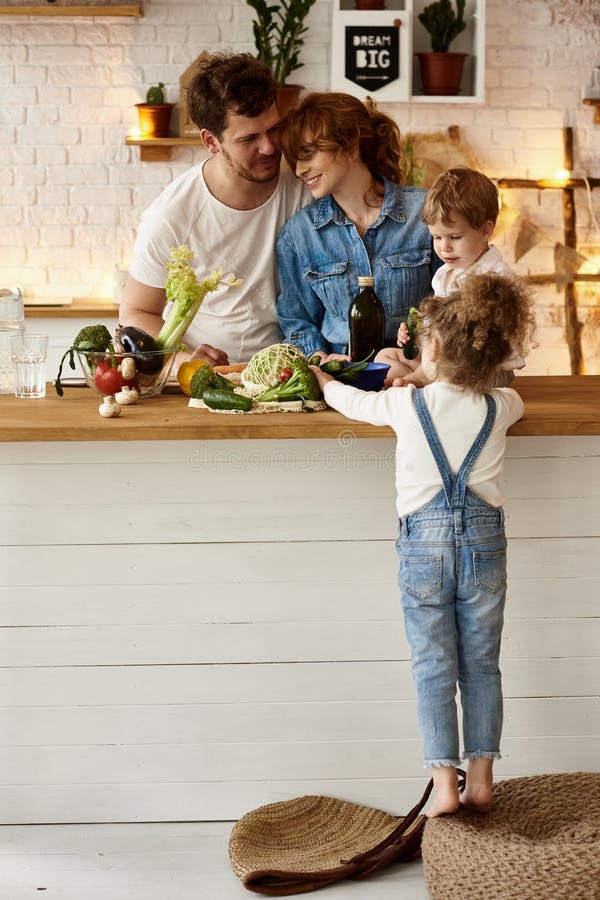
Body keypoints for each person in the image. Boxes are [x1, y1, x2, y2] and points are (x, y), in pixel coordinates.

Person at [311, 272, 535, 817]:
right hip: (484, 552)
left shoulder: (405, 406)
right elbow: (515, 401)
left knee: (433, 665)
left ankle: (444, 786)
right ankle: (482, 779)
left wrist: (321, 378)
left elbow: (348, 401)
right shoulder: (502, 405)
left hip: (423, 554)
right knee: (481, 664)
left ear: (431, 348)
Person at [119, 53, 309, 367]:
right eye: (249, 138)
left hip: (294, 370)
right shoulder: (172, 215)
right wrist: (182, 360)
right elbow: (136, 312)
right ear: (211, 141)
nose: (270, 147)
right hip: (208, 378)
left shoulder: (306, 178)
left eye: (274, 128)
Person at [275, 92, 440, 362]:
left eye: (308, 153)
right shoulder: (298, 236)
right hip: (340, 383)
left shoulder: (424, 213)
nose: (299, 170)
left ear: (351, 147)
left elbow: (454, 299)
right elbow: (298, 321)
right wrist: (321, 362)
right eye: (296, 159)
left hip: (414, 378)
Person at [376, 166, 522, 386]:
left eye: (454, 237)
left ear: (485, 230)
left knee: (448, 365)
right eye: (436, 237)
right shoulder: (444, 274)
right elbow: (434, 326)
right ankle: (422, 382)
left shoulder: (496, 279)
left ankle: (420, 383)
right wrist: (415, 333)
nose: (444, 248)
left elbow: (483, 345)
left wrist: (439, 345)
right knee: (385, 358)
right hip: (439, 360)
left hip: (481, 369)